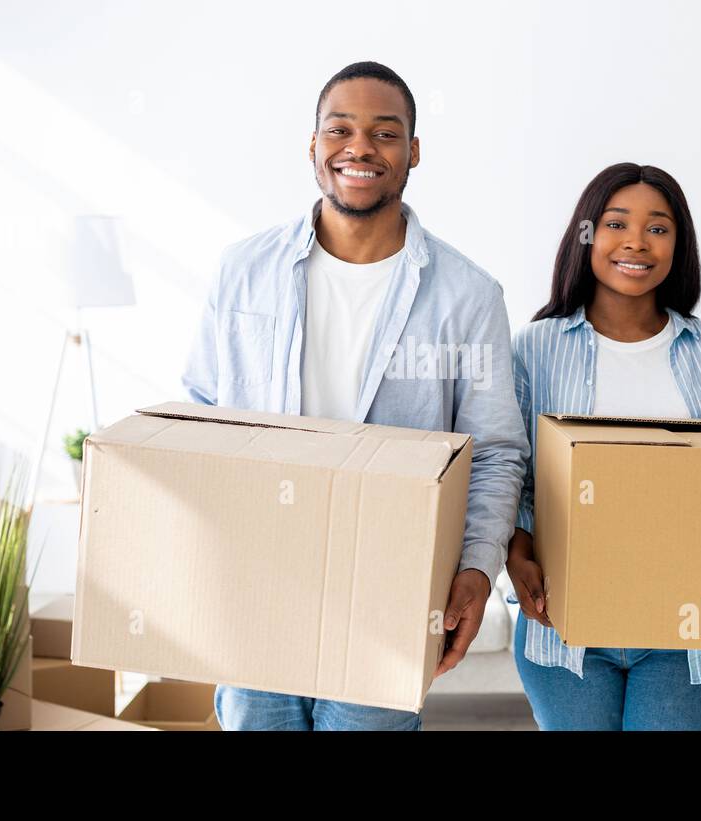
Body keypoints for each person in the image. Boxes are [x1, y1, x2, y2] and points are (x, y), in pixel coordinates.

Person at [181, 61, 528, 730]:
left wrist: (478, 571)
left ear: (414, 152)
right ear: (312, 146)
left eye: (385, 133)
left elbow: (496, 452)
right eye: (339, 129)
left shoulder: (468, 294)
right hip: (261, 582)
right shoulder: (243, 272)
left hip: (388, 594)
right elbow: (198, 413)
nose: (360, 148)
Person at [506, 162, 701, 730]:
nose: (636, 242)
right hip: (566, 627)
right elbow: (516, 476)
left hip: (689, 631)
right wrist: (515, 553)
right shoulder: (532, 349)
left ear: (679, 245)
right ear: (586, 235)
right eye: (616, 223)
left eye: (658, 228)